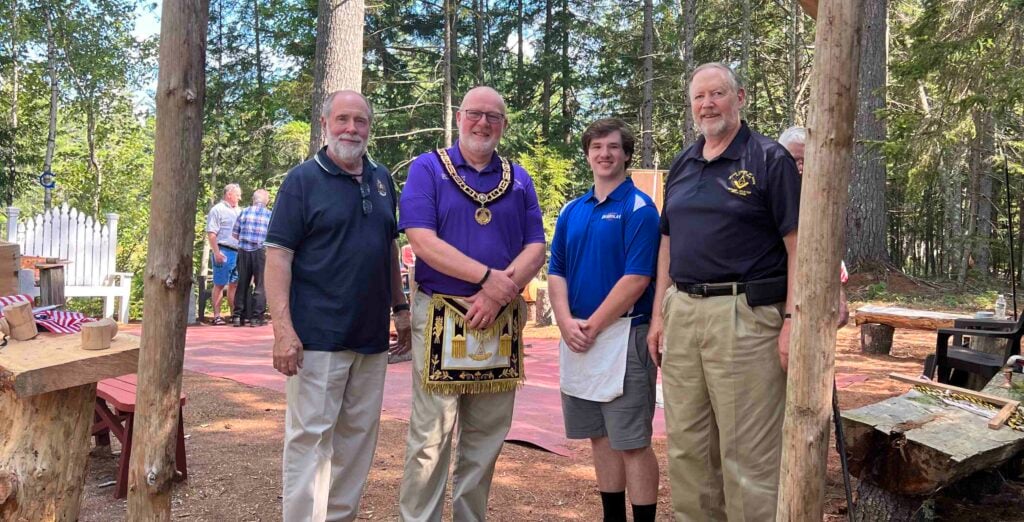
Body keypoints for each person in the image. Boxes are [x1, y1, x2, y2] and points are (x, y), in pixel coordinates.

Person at [647, 62, 802, 521]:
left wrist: (792, 320)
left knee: (747, 456)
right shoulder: (684, 161)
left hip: (745, 316)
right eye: (699, 97)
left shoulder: (769, 159)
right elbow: (667, 244)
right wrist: (659, 316)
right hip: (684, 312)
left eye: (718, 94)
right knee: (688, 450)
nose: (708, 104)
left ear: (741, 98)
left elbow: (800, 248)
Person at [397, 86, 546, 521]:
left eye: (494, 117)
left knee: (486, 438)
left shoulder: (518, 178)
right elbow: (421, 240)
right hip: (441, 312)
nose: (483, 123)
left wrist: (499, 292)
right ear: (459, 116)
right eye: (475, 114)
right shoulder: (429, 169)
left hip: (499, 319)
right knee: (429, 439)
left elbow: (535, 246)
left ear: (504, 125)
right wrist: (487, 280)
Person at [264, 89, 412, 522]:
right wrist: (283, 331)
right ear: (326, 123)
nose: (352, 128)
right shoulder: (302, 181)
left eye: (360, 121)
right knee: (310, 441)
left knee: (357, 443)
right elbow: (279, 257)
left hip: (370, 338)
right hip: (318, 337)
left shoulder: (382, 178)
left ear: (370, 127)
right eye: (343, 119)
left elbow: (388, 246)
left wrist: (400, 308)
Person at [548, 118, 660, 522]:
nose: (605, 154)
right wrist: (564, 321)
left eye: (613, 147)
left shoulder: (640, 209)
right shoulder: (571, 210)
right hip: (578, 337)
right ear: (588, 154)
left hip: (624, 335)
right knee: (600, 436)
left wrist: (592, 325)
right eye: (597, 147)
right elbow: (556, 269)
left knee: (631, 441)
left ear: (627, 154)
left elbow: (637, 278)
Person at [778, 125, 850, 327]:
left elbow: (828, 251)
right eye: (793, 160)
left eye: (805, 161)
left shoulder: (821, 200)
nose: (800, 167)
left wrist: (839, 294)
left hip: (810, 294)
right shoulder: (763, 196)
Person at [231, 188, 272, 327]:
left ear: (254, 200)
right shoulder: (270, 215)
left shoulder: (244, 212)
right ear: (266, 201)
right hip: (260, 251)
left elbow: (235, 234)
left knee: (242, 283)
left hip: (243, 251)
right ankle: (256, 317)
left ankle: (238, 316)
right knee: (261, 284)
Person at [206, 183, 242, 325]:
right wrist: (216, 252)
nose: (240, 197)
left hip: (238, 251)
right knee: (220, 283)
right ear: (229, 194)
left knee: (235, 284)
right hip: (223, 249)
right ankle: (217, 315)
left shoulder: (240, 211)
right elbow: (211, 233)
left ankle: (234, 314)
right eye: (237, 194)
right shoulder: (217, 210)